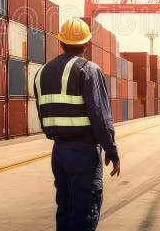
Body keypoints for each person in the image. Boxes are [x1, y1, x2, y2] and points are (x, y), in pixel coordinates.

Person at [34, 17, 120, 231]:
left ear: (60, 42)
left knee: (65, 212)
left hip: (59, 153)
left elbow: (43, 116)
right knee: (84, 215)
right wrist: (112, 150)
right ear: (87, 43)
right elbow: (99, 115)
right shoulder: (88, 69)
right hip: (83, 153)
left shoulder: (41, 73)